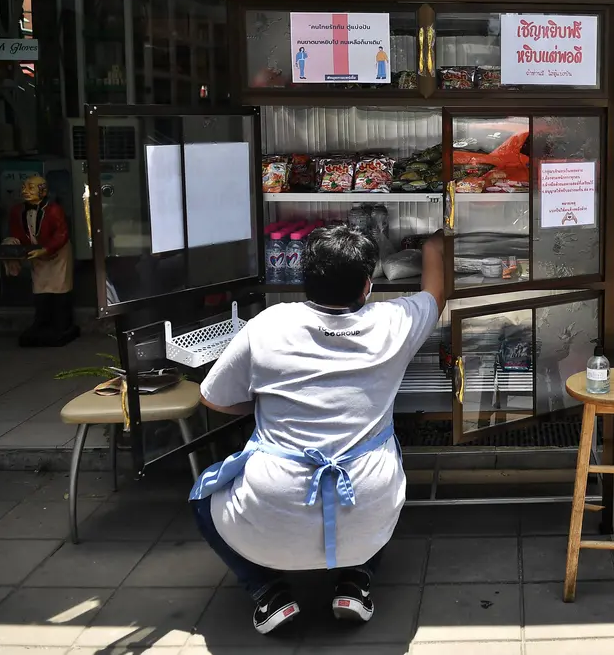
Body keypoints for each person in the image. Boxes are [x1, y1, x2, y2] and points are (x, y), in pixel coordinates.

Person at [189, 226, 445, 635]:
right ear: (367, 286)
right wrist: (435, 244)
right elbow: (435, 294)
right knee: (380, 477)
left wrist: (263, 406)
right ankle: (355, 582)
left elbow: (214, 398)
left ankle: (267, 593)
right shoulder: (394, 322)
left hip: (272, 507)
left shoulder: (267, 325)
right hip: (368, 500)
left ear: (304, 280)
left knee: (202, 496)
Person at [2, 175, 78, 347]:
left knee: (60, 287)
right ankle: (42, 322)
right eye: (24, 187)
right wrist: (11, 243)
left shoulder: (54, 210)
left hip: (58, 253)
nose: (25, 191)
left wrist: (45, 249)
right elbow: (16, 233)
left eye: (30, 187)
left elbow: (61, 234)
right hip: (36, 252)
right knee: (40, 286)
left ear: (43, 191)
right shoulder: (17, 211)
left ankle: (62, 324)